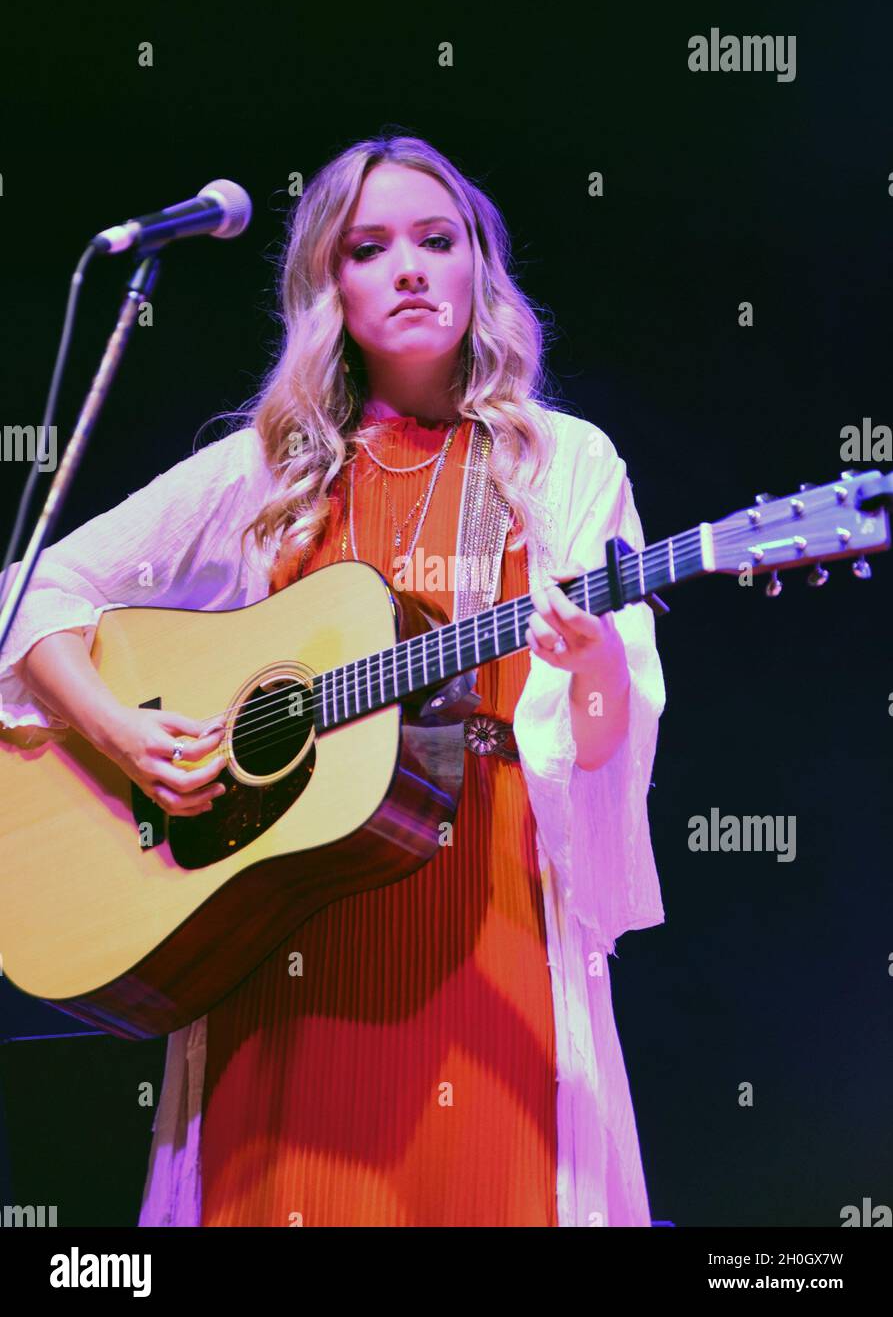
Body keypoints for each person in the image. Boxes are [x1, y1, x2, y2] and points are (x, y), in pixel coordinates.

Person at [0, 132, 667, 1227]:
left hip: (485, 918)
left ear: (476, 269)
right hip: (279, 922)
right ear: (326, 287)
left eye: (435, 240)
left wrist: (594, 659)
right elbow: (34, 593)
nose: (407, 268)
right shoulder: (268, 468)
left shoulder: (561, 461)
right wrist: (121, 730)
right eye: (368, 247)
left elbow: (601, 741)